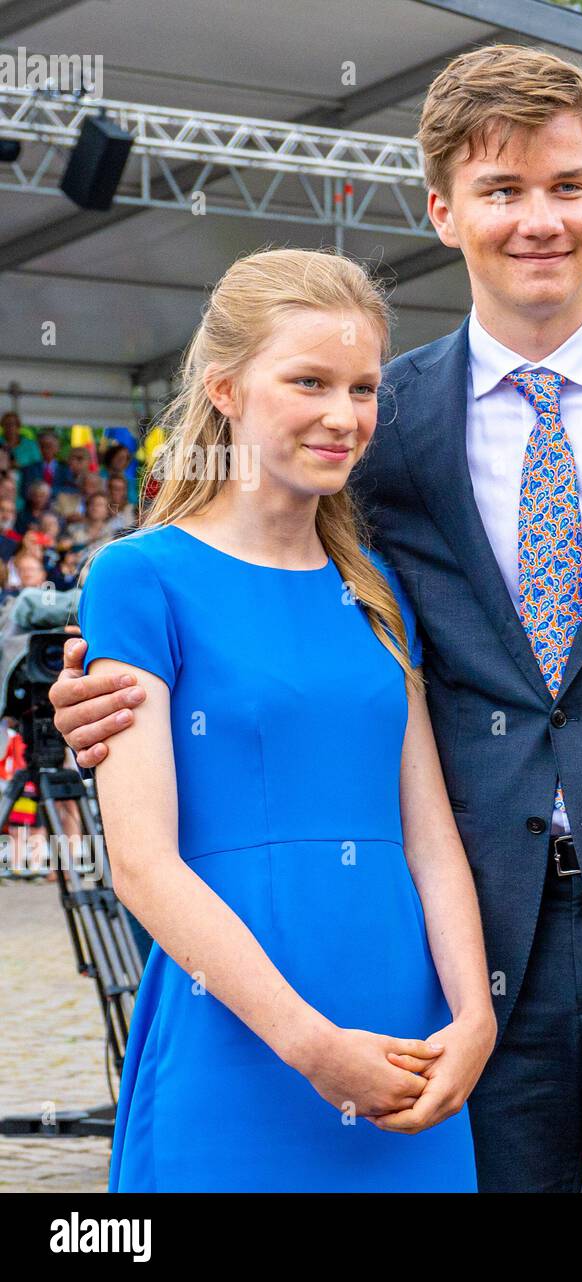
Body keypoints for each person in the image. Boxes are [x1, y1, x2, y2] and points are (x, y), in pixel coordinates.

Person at [52, 44, 582, 1194]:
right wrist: (105, 683)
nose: (539, 220)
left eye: (566, 186)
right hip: (468, 972)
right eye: (501, 190)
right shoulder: (385, 425)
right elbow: (250, 590)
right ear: (443, 211)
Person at [69, 248, 491, 1191]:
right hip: (241, 1029)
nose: (344, 417)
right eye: (309, 381)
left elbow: (430, 838)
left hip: (408, 1033)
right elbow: (141, 860)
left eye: (364, 388)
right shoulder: (140, 578)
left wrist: (473, 1018)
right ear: (224, 388)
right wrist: (308, 1044)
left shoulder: (377, 593)